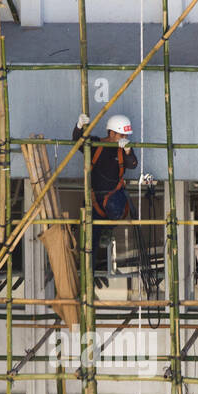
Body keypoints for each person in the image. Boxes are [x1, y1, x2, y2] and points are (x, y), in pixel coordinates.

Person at [72, 112, 138, 277]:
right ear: (111, 133)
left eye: (125, 135)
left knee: (115, 209)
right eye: (121, 134)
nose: (124, 137)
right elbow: (78, 142)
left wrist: (129, 151)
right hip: (94, 199)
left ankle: (108, 229)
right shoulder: (96, 144)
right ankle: (88, 281)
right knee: (90, 244)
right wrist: (79, 126)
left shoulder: (122, 149)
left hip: (113, 196)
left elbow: (132, 165)